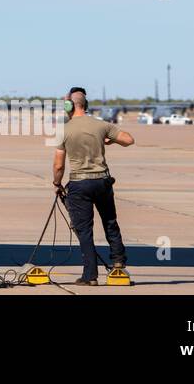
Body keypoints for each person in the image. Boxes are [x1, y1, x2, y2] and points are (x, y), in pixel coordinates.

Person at [52, 86, 133, 285]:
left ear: (69, 106)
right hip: (102, 181)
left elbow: (58, 164)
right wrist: (111, 141)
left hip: (80, 184)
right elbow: (129, 140)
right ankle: (118, 263)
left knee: (84, 230)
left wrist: (57, 183)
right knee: (110, 222)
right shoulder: (101, 125)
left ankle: (90, 276)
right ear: (85, 104)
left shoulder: (63, 130)